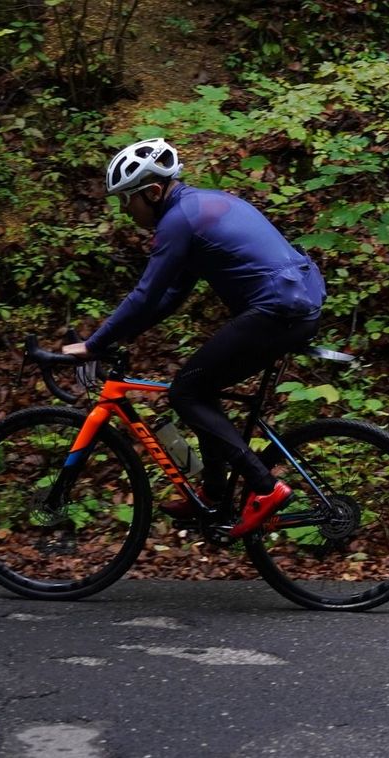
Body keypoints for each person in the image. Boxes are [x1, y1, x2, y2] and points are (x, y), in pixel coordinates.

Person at [63, 137, 326, 538]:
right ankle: (215, 493)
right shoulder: (195, 208)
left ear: (152, 192)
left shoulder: (178, 221)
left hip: (278, 310)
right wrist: (118, 338)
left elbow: (146, 293)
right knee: (201, 388)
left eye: (126, 200)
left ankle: (264, 486)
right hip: (292, 304)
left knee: (187, 391)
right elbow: (169, 296)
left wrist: (93, 344)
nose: (124, 210)